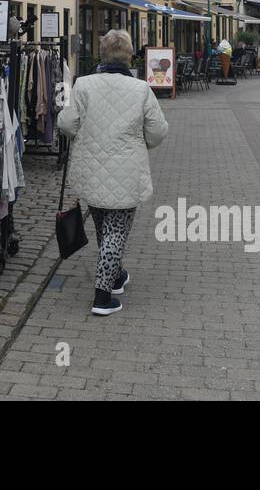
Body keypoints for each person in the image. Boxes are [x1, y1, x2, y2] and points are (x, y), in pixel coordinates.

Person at [57, 30, 169, 316]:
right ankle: (102, 296)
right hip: (126, 170)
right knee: (116, 231)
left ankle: (116, 275)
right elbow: (157, 132)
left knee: (103, 227)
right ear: (129, 55)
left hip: (91, 167)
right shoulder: (140, 89)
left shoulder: (82, 85)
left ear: (101, 54)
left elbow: (68, 125)